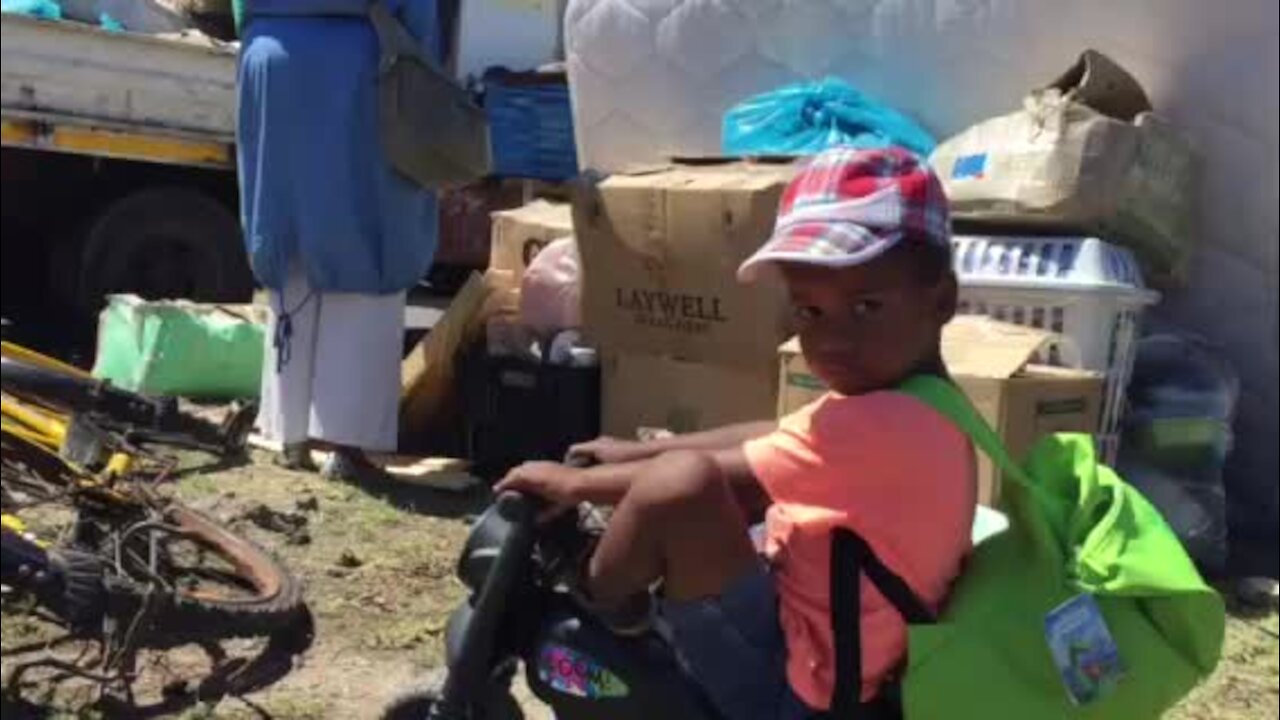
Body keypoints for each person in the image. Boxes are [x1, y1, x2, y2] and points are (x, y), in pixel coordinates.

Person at [497, 147, 977, 719]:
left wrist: (572, 486)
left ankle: (603, 598)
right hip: (836, 658)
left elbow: (709, 475)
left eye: (865, 306)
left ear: (941, 300)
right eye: (809, 313)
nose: (832, 340)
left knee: (681, 486)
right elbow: (778, 435)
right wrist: (638, 450)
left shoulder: (892, 425)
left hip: (799, 693)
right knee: (687, 476)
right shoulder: (921, 401)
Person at [236, 1, 444, 481]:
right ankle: (348, 445)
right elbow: (418, 17)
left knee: (286, 232)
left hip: (272, 62)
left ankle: (288, 431)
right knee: (369, 238)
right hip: (359, 67)